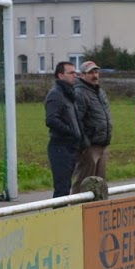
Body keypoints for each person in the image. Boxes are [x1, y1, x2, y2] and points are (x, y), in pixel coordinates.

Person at [71, 60, 113, 188]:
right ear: (82, 75)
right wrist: (84, 143)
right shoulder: (79, 93)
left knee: (100, 183)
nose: (95, 75)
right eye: (90, 73)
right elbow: (77, 120)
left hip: (102, 144)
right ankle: (76, 207)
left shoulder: (100, 92)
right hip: (89, 147)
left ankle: (97, 207)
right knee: (84, 181)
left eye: (96, 72)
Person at [43, 61, 82, 197]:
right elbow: (51, 120)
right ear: (60, 75)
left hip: (70, 146)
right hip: (60, 146)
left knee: (67, 185)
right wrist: (71, 132)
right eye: (71, 73)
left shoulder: (69, 95)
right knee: (62, 187)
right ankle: (58, 215)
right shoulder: (56, 94)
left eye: (75, 72)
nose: (75, 75)